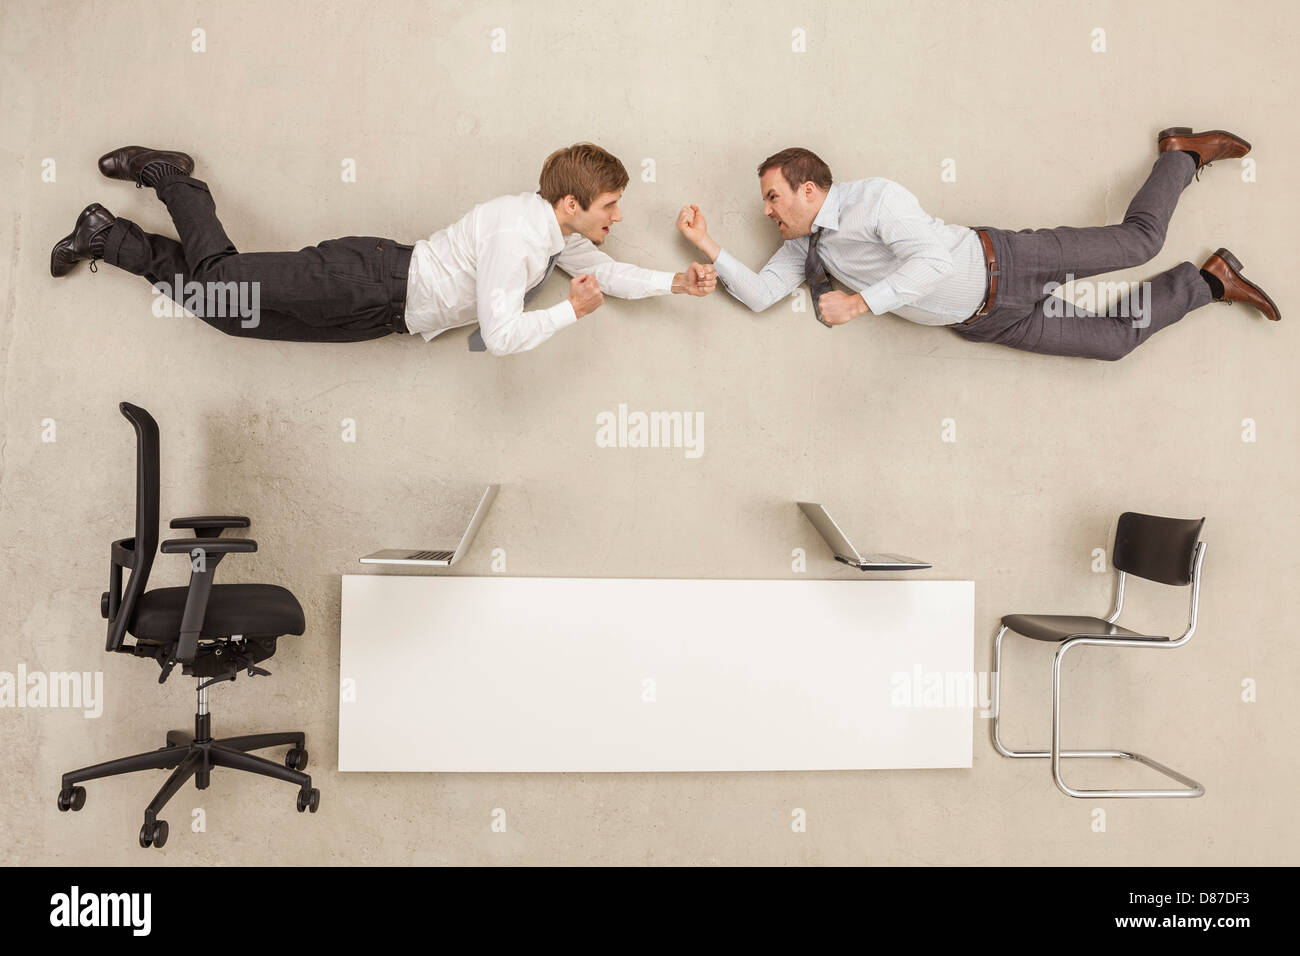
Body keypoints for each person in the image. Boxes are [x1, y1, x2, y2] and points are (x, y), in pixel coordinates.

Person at [51, 142, 717, 356]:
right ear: (573, 204)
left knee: (223, 310)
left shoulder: (555, 237)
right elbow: (501, 332)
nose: (618, 216)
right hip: (364, 280)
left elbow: (611, 274)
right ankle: (172, 178)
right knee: (221, 278)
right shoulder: (519, 235)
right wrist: (570, 314)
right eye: (609, 206)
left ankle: (110, 237)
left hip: (382, 314)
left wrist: (673, 285)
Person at [675, 128, 1280, 361]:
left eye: (774, 197)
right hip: (991, 323)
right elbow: (756, 296)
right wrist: (708, 246)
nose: (767, 210)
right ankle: (1209, 282)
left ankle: (1182, 155)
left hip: (1009, 263)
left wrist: (858, 305)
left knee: (1139, 241)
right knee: (1116, 341)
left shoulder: (875, 201)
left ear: (809, 189)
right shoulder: (805, 250)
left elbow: (933, 262)